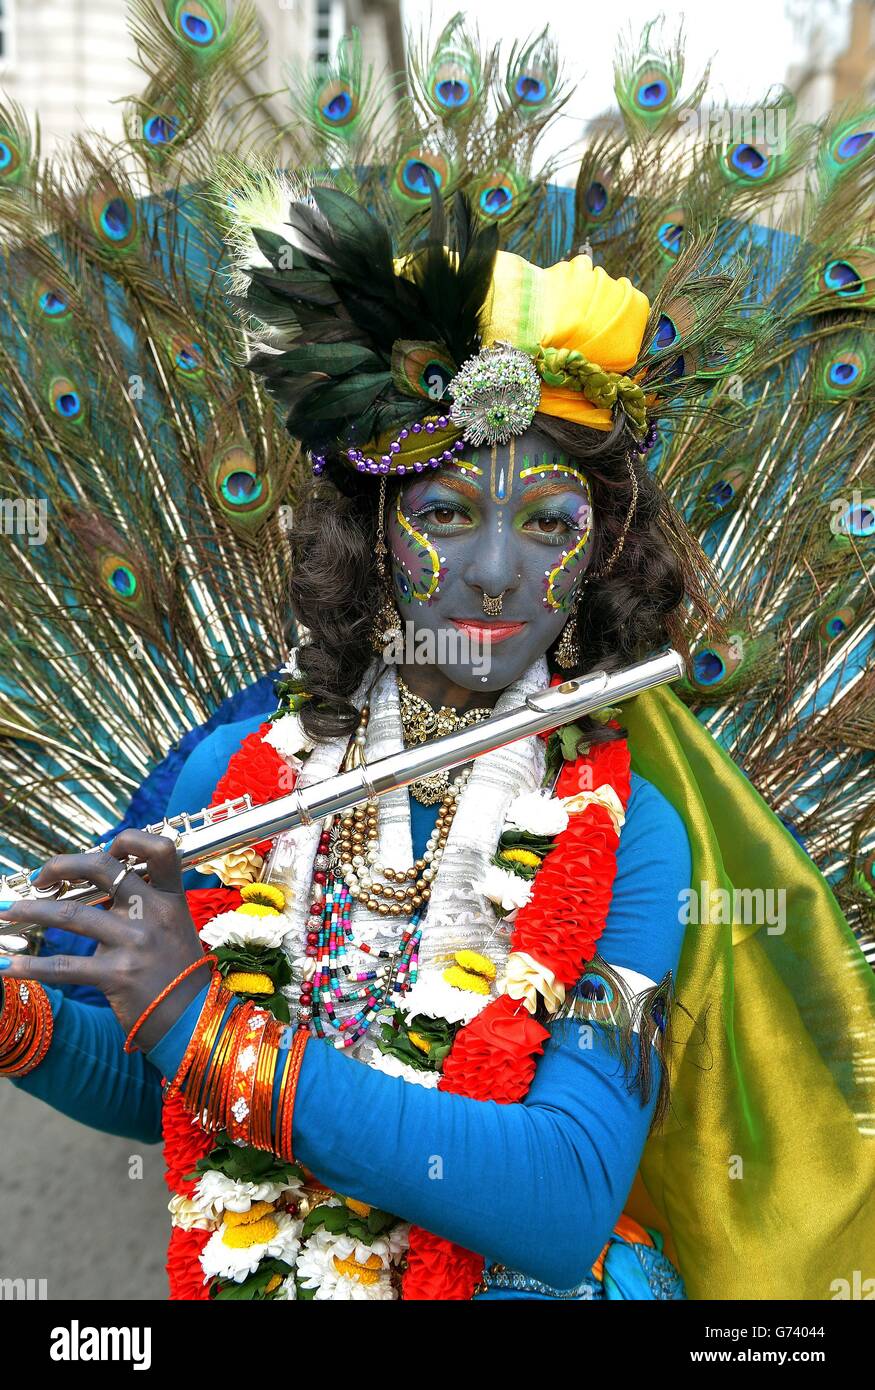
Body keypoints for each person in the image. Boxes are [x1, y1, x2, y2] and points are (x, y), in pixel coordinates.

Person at [1, 190, 871, 1302]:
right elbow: (172, 1089)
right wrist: (28, 1015)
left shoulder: (629, 835)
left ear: (598, 556)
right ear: (372, 537)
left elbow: (560, 1198)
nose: (501, 571)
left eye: (550, 524)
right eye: (450, 513)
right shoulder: (237, 767)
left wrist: (199, 1014)